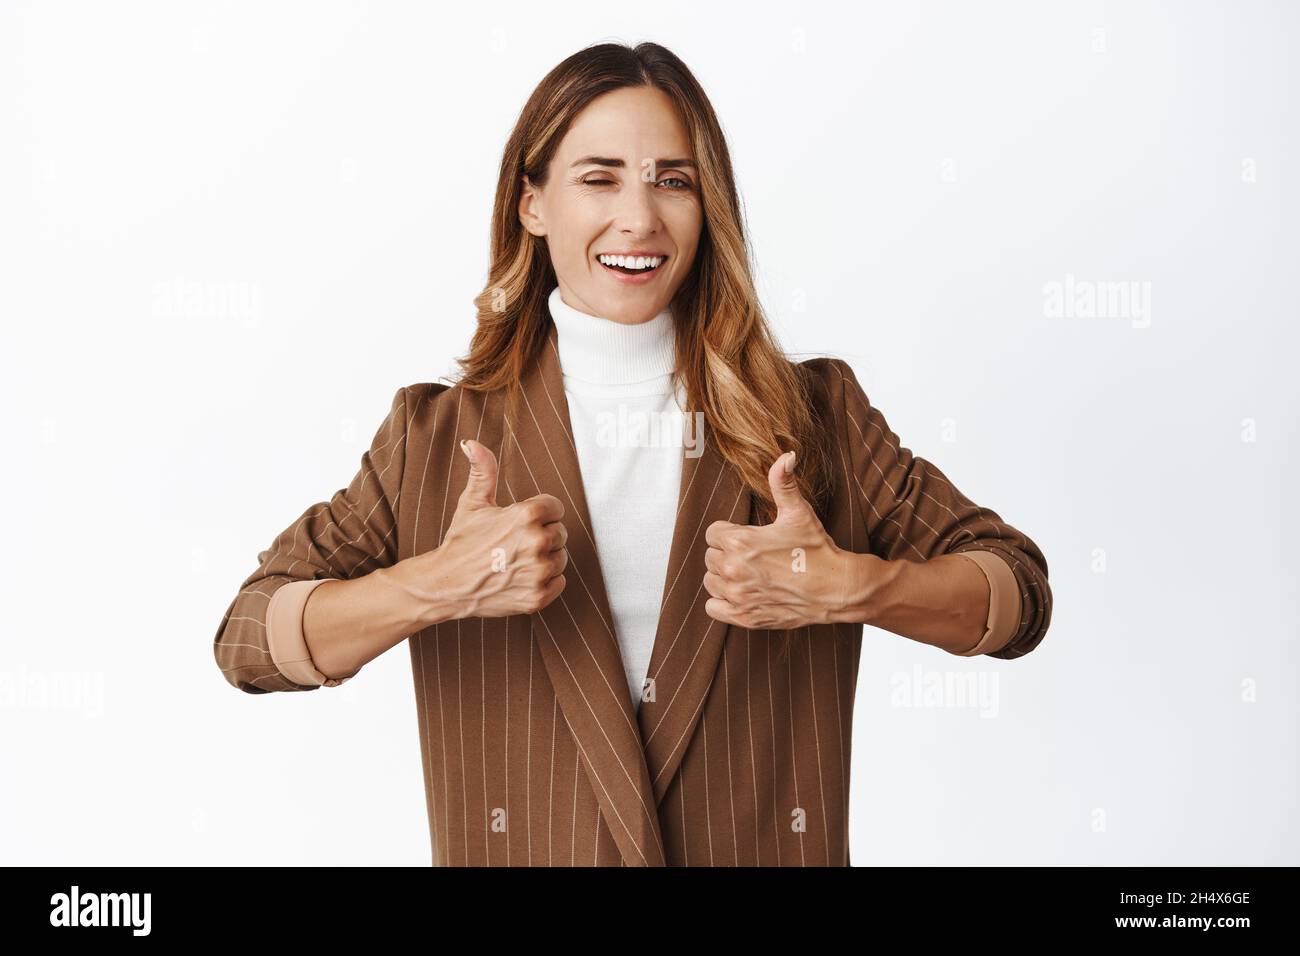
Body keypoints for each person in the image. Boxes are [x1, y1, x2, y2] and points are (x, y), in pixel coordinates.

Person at [213, 41, 1052, 866]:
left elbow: (1018, 594)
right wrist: (430, 586)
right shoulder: (433, 436)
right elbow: (248, 639)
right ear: (531, 203)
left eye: (672, 181)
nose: (639, 218)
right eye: (599, 177)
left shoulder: (817, 418)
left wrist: (857, 587)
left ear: (707, 206)